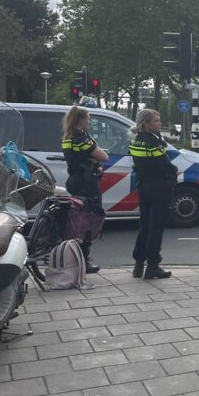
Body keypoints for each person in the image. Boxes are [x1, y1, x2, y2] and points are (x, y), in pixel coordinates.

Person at [129, 109, 177, 280]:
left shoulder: (136, 141)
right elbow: (165, 165)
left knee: (144, 226)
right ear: (146, 124)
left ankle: (138, 265)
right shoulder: (153, 142)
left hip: (144, 186)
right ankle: (153, 266)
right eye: (156, 121)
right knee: (156, 228)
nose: (160, 123)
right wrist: (174, 172)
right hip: (159, 187)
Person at [61, 106, 109, 274]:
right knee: (88, 220)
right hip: (86, 182)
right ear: (80, 120)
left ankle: (77, 257)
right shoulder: (81, 137)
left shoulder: (68, 136)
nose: (89, 121)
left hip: (75, 180)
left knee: (77, 221)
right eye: (88, 118)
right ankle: (84, 259)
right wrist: (93, 156)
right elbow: (104, 156)